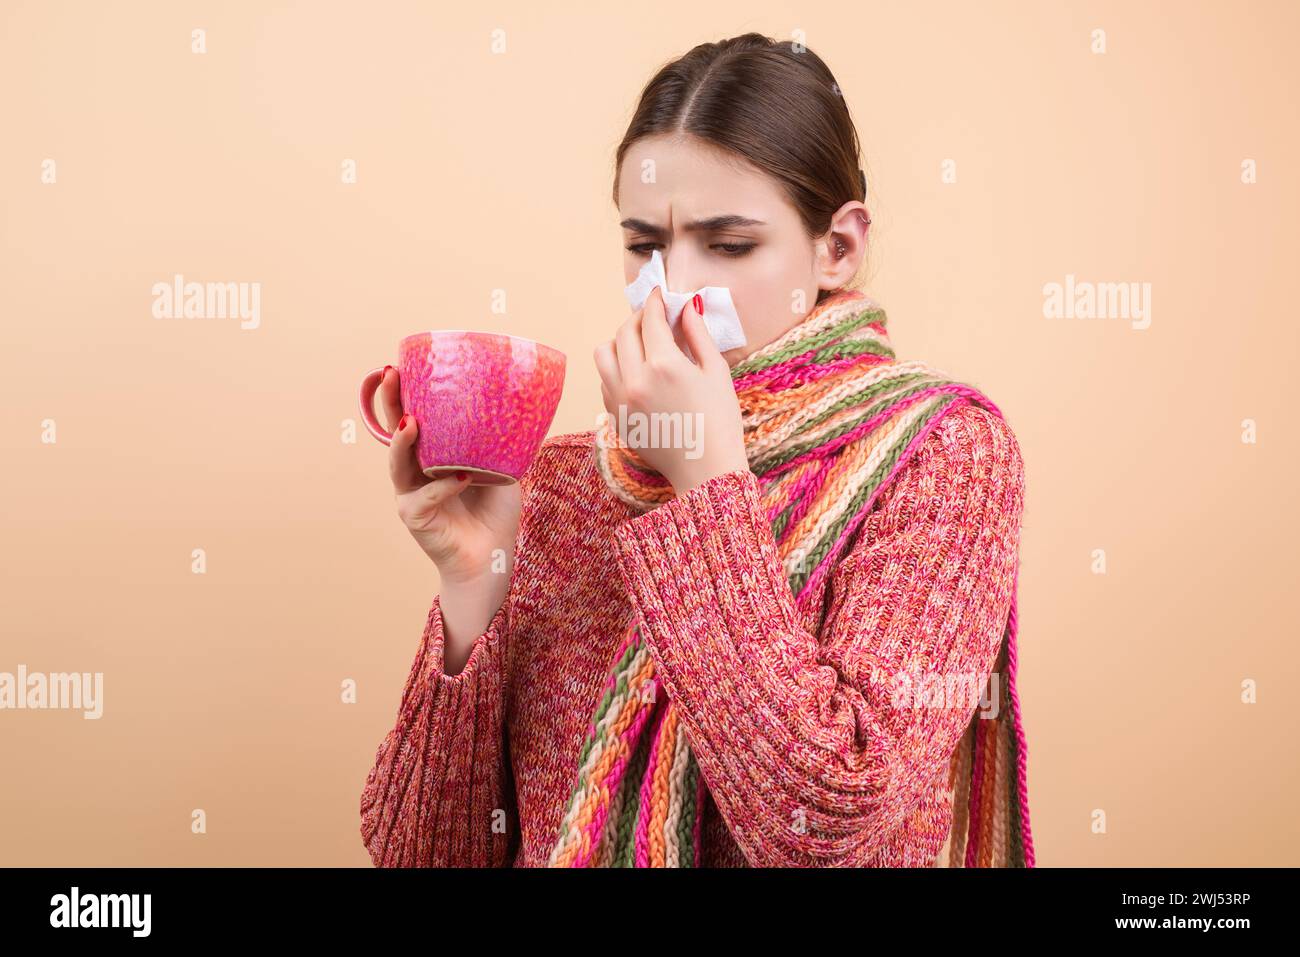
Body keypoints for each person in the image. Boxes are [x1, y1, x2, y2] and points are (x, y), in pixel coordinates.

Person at [359, 32, 1034, 868]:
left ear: (838, 247)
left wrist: (703, 485)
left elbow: (827, 826)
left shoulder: (945, 455)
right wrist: (472, 590)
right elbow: (425, 857)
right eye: (645, 245)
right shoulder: (567, 480)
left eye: (729, 243)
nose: (672, 287)